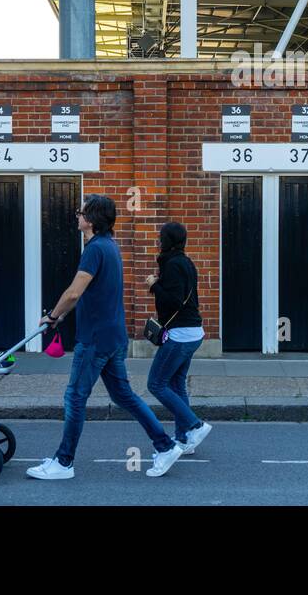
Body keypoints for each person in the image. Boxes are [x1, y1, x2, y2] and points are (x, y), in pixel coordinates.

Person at [26, 194, 184, 481]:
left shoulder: (94, 249)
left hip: (96, 339)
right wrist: (61, 315)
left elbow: (75, 291)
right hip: (113, 336)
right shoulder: (109, 247)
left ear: (92, 218)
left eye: (80, 212)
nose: (77, 216)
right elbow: (88, 295)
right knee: (123, 395)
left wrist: (51, 317)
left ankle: (63, 463)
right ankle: (165, 445)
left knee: (75, 397)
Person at [145, 222, 213, 454]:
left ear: (168, 240)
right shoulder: (185, 262)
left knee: (156, 384)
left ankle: (195, 425)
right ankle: (184, 439)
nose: (157, 240)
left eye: (160, 237)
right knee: (176, 384)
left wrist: (154, 285)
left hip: (181, 334)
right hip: (192, 332)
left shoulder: (173, 264)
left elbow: (173, 300)